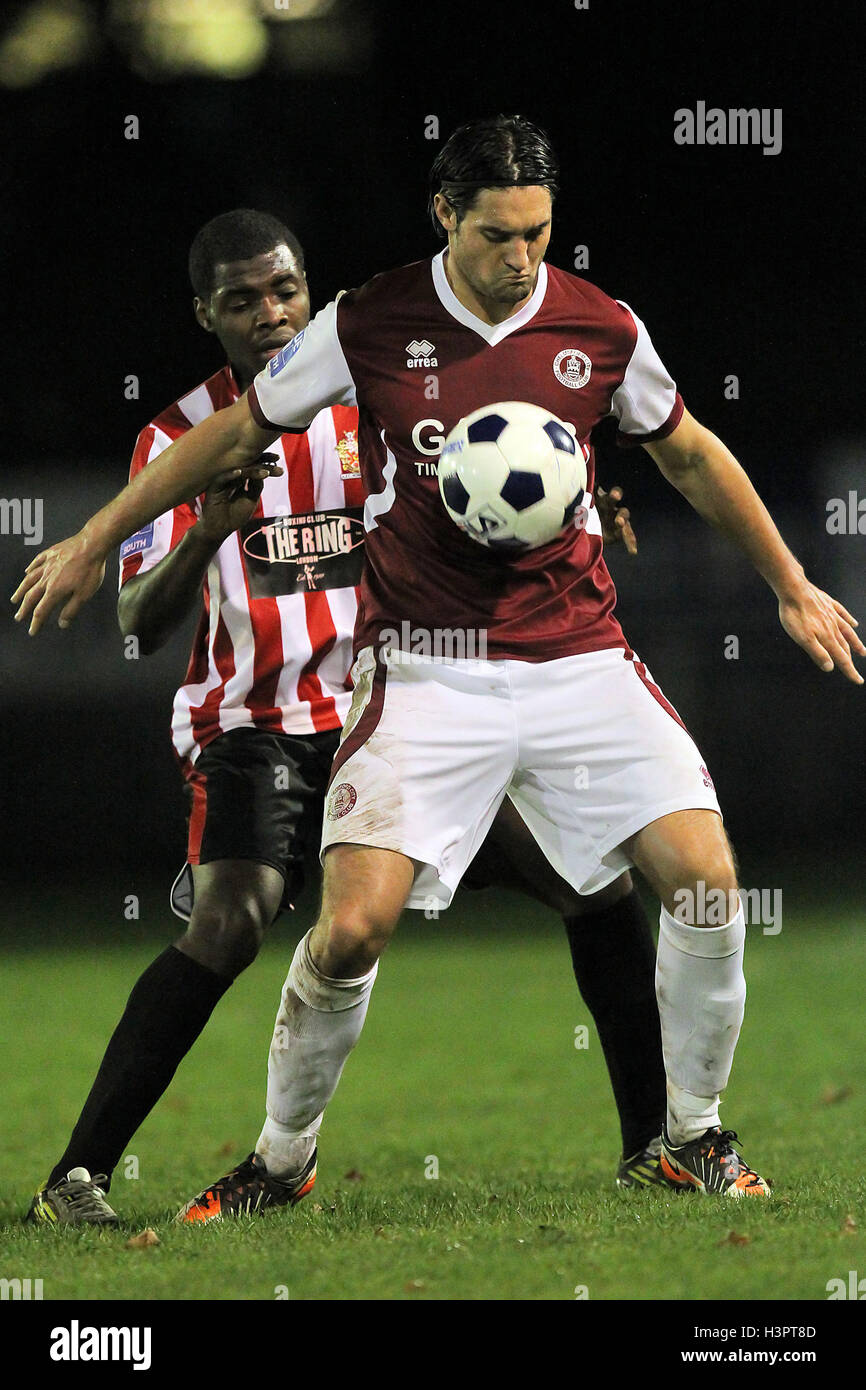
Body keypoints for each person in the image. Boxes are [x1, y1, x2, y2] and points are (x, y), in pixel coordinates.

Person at [17, 116, 863, 1207]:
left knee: (697, 886)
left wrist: (788, 584)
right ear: (444, 220)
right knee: (346, 925)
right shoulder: (369, 322)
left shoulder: (597, 324)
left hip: (577, 661)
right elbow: (226, 444)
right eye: (500, 236)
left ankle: (685, 1137)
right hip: (408, 675)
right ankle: (274, 1160)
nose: (522, 259)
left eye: (540, 234)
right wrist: (96, 537)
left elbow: (686, 448)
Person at [23, 207, 667, 1229]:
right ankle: (78, 1176)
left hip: (403, 710)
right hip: (257, 726)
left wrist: (576, 510)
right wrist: (206, 534)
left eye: (285, 291)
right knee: (231, 920)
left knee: (591, 878)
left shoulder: (379, 407)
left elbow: (493, 502)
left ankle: (652, 1146)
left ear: (308, 289)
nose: (271, 314)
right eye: (242, 300)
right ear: (207, 315)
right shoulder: (178, 437)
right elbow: (140, 624)